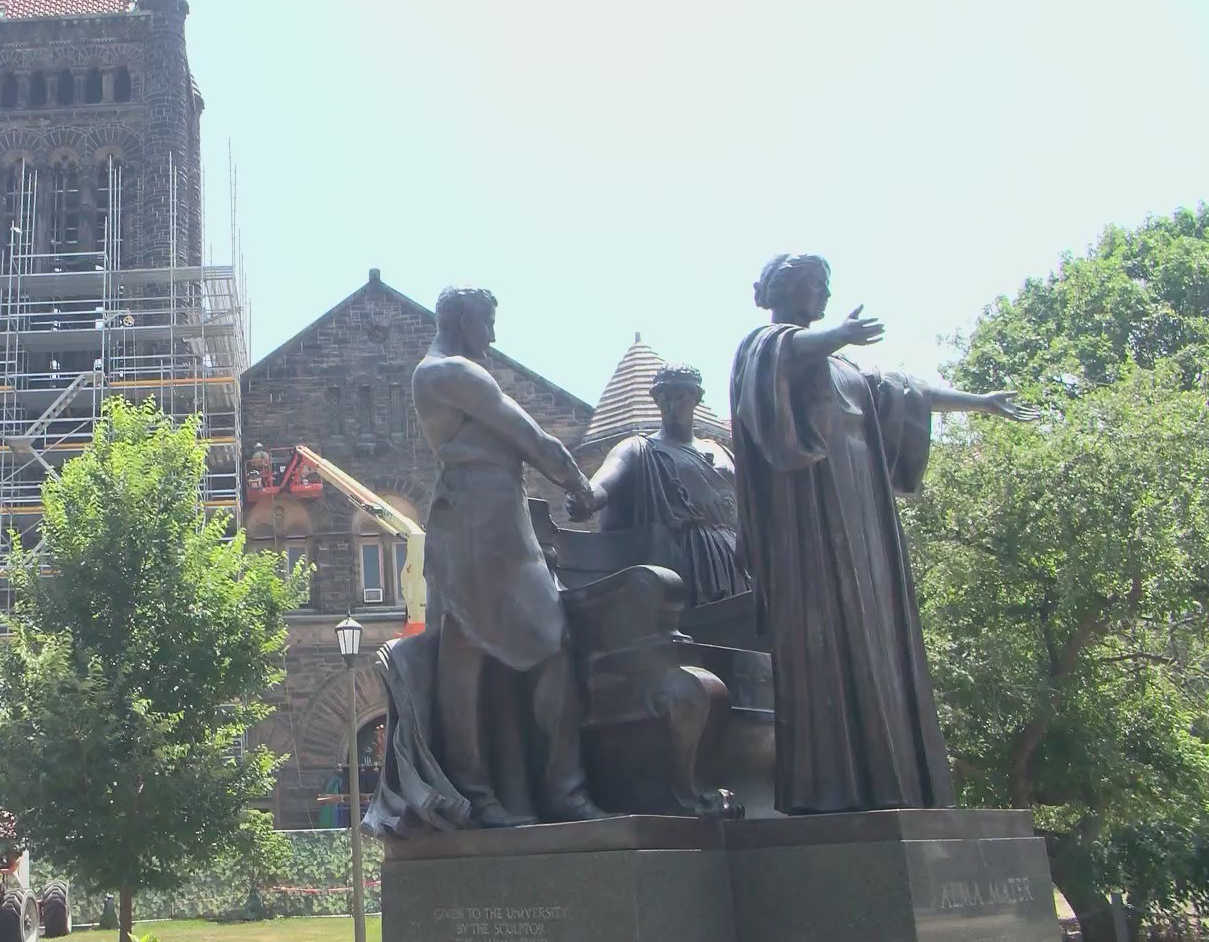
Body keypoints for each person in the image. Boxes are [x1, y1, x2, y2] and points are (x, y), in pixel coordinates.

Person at [731, 254, 1039, 814]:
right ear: (782, 290)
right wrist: (836, 334)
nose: (823, 295)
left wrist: (979, 404)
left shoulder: (842, 365)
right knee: (826, 635)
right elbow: (788, 355)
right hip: (809, 515)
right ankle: (832, 788)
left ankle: (899, 783)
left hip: (865, 508)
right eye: (813, 285)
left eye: (826, 286)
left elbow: (905, 393)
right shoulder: (764, 347)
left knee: (884, 636)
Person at [395, 286, 607, 828]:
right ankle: (479, 794)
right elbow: (532, 437)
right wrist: (580, 486)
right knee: (469, 646)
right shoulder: (451, 372)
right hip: (476, 523)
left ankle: (557, 790)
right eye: (487, 322)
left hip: (499, 519)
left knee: (543, 642)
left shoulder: (452, 371)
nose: (493, 334)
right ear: (464, 320)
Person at [566, 362, 748, 606]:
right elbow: (602, 485)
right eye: (665, 399)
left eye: (680, 397)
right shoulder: (638, 449)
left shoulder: (723, 452)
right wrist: (584, 497)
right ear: (656, 400)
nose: (672, 406)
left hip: (736, 563)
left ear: (696, 398)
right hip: (684, 566)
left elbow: (752, 508)